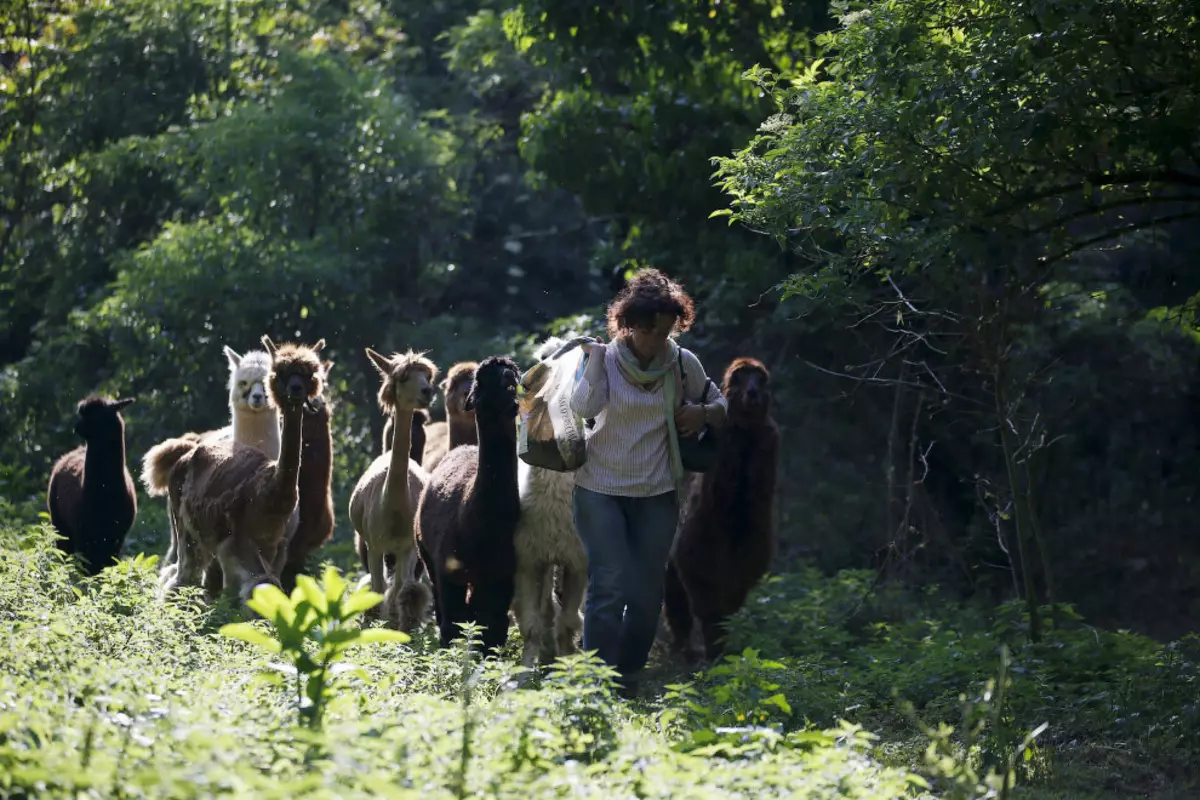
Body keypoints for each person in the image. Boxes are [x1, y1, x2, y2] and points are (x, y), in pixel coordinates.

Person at [570, 267, 728, 696]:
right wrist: (590, 362)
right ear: (629, 324)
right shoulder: (603, 358)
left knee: (645, 595)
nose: (658, 340)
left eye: (666, 331)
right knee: (608, 585)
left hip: (657, 494)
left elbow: (720, 403)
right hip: (599, 489)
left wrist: (701, 414)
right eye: (650, 331)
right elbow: (582, 405)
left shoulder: (681, 363)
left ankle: (627, 678)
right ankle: (596, 687)